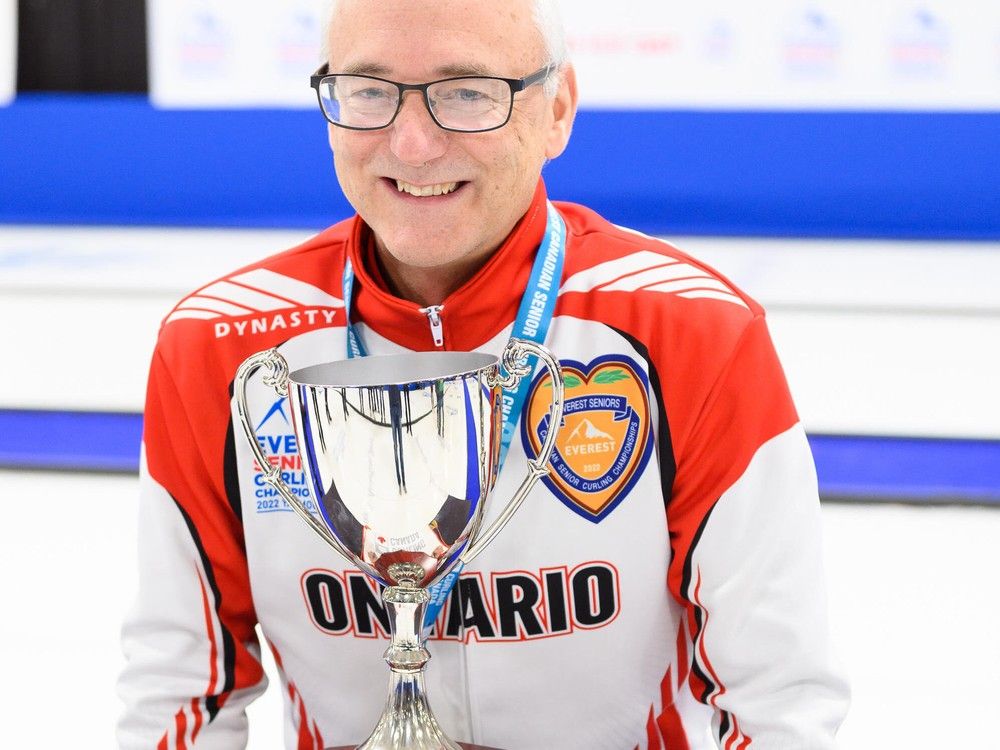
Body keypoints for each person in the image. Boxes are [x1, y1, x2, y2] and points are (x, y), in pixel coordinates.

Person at [118, 1, 850, 748]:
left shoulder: (691, 331)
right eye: (369, 90)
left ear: (557, 109)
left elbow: (776, 700)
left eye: (467, 91)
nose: (411, 142)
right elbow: (181, 691)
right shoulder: (222, 348)